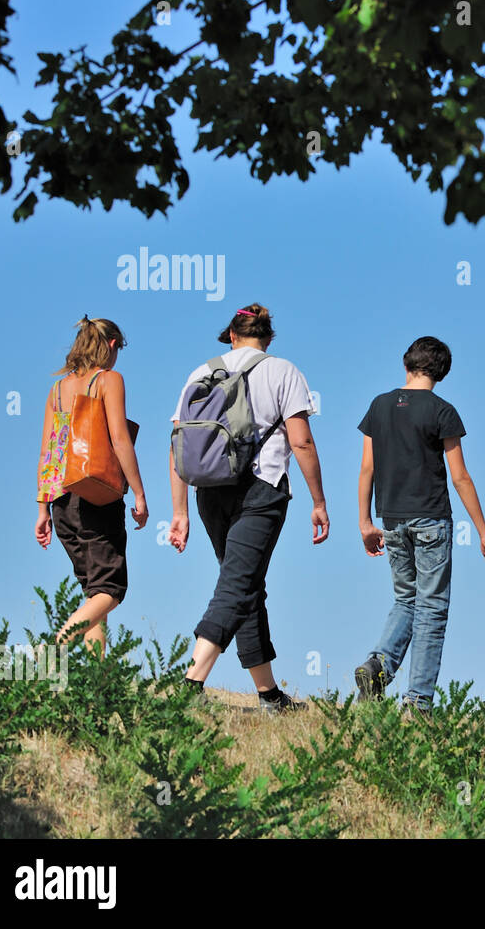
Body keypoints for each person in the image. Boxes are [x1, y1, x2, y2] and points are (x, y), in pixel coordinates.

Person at [167, 304, 329, 714]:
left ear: (232, 336)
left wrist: (180, 511)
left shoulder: (199, 373)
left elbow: (178, 444)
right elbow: (302, 441)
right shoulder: (283, 370)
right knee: (237, 585)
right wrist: (319, 501)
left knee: (244, 583)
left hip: (208, 490)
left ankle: (269, 695)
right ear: (268, 338)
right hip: (261, 487)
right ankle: (189, 685)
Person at [354, 335, 485, 709]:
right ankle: (417, 702)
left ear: (407, 364)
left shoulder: (379, 406)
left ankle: (379, 665)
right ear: (442, 373)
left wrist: (365, 522)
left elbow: (367, 468)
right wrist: (483, 532)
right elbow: (460, 477)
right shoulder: (443, 411)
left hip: (391, 519)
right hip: (432, 520)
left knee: (406, 600)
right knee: (432, 608)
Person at [34, 317, 148, 653]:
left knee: (94, 591)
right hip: (96, 494)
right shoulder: (108, 380)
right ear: (112, 345)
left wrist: (42, 509)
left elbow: (47, 451)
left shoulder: (57, 389)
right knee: (110, 590)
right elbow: (120, 439)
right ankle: (50, 650)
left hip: (61, 503)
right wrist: (139, 493)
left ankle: (98, 684)